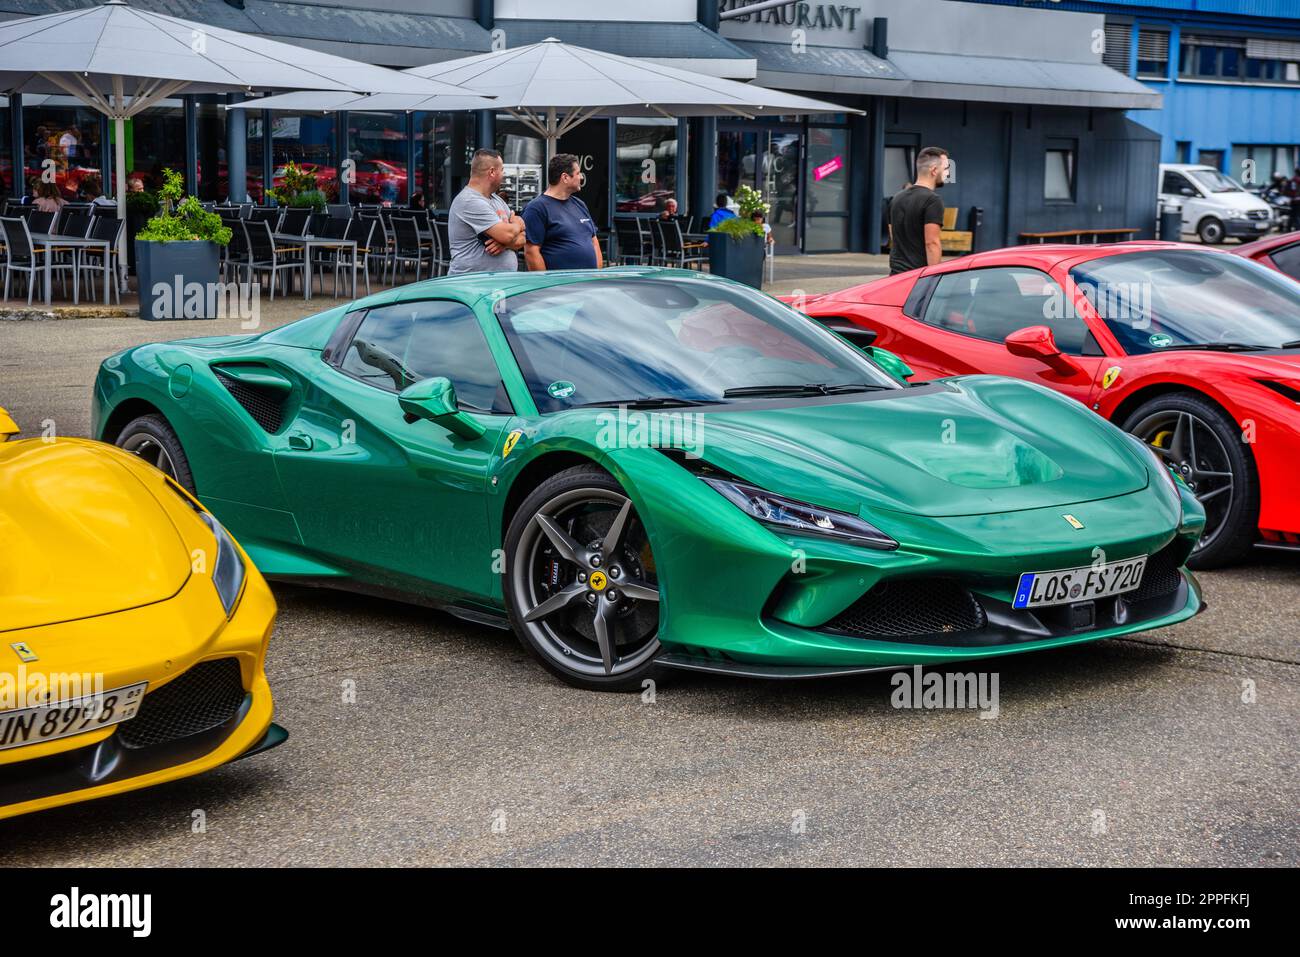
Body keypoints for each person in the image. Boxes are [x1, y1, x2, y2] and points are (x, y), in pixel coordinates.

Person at [447, 148, 525, 275]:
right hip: (471, 284)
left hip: (496, 285)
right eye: (502, 170)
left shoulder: (497, 200)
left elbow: (522, 239)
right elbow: (509, 235)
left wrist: (505, 245)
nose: (503, 175)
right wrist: (518, 223)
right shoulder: (469, 201)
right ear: (492, 172)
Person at [522, 153, 602, 272]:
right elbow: (531, 252)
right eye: (578, 173)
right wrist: (546, 285)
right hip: (559, 288)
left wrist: (597, 274)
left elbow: (594, 242)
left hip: (587, 285)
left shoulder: (580, 204)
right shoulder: (536, 208)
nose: (581, 177)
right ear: (565, 177)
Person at [887, 145, 949, 275]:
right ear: (934, 170)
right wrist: (934, 277)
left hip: (895, 276)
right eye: (946, 169)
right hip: (918, 278)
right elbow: (931, 243)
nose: (947, 173)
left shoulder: (896, 198)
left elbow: (894, 237)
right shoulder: (933, 200)